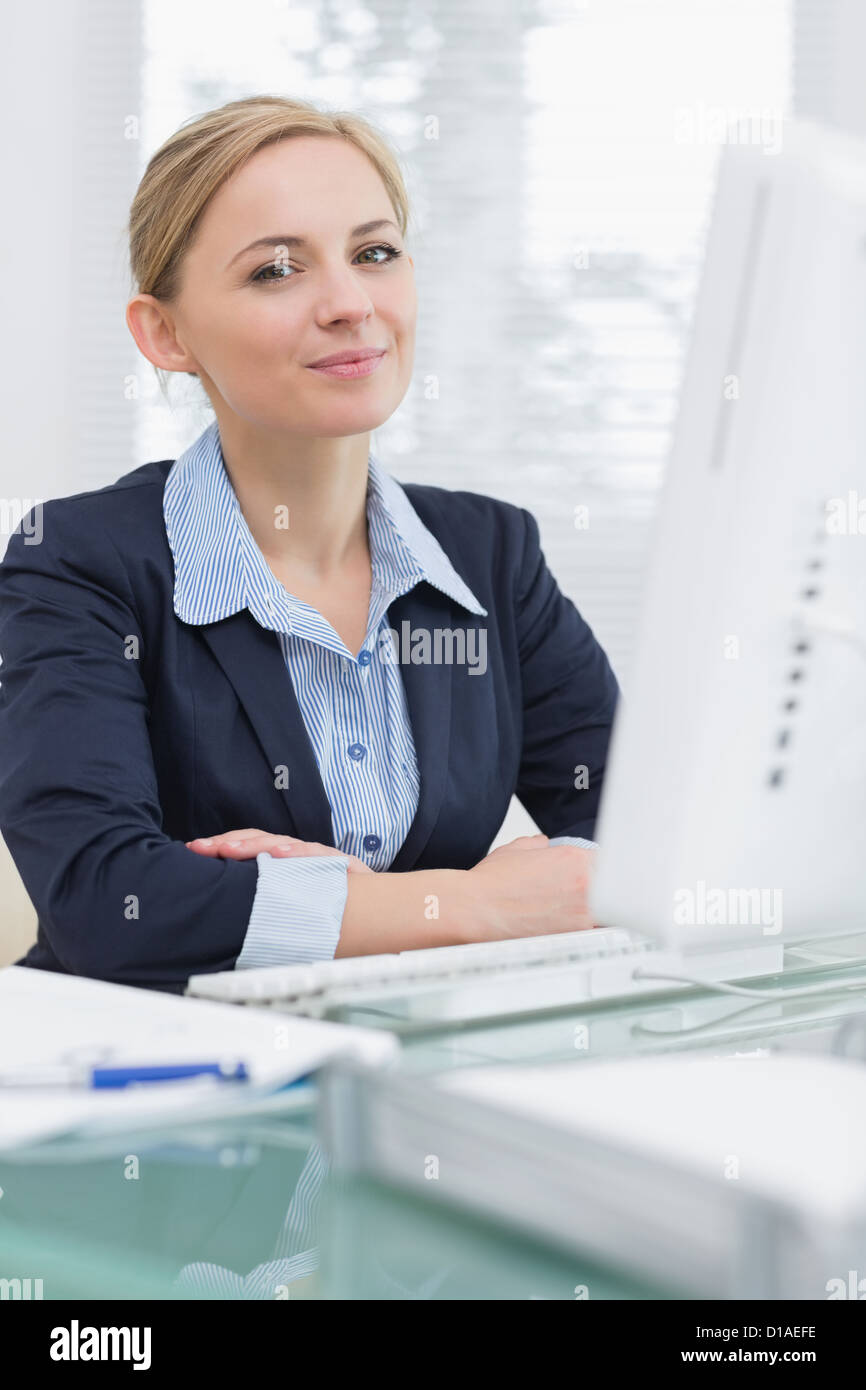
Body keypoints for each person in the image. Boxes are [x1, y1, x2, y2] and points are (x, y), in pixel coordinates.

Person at [0, 95, 619, 994]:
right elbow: (106, 902)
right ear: (165, 334)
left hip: (403, 1074)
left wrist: (335, 902)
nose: (349, 304)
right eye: (276, 271)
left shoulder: (491, 555)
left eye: (374, 254)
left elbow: (652, 837)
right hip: (153, 1085)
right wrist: (468, 905)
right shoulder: (78, 562)